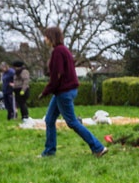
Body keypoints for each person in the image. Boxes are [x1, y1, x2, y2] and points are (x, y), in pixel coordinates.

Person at [39, 26, 107, 158]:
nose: (44, 39)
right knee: (49, 119)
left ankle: (98, 147)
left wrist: (46, 91)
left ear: (51, 37)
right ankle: (49, 151)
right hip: (65, 91)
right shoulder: (64, 50)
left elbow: (57, 75)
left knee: (72, 122)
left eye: (46, 36)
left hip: (63, 92)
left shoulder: (58, 52)